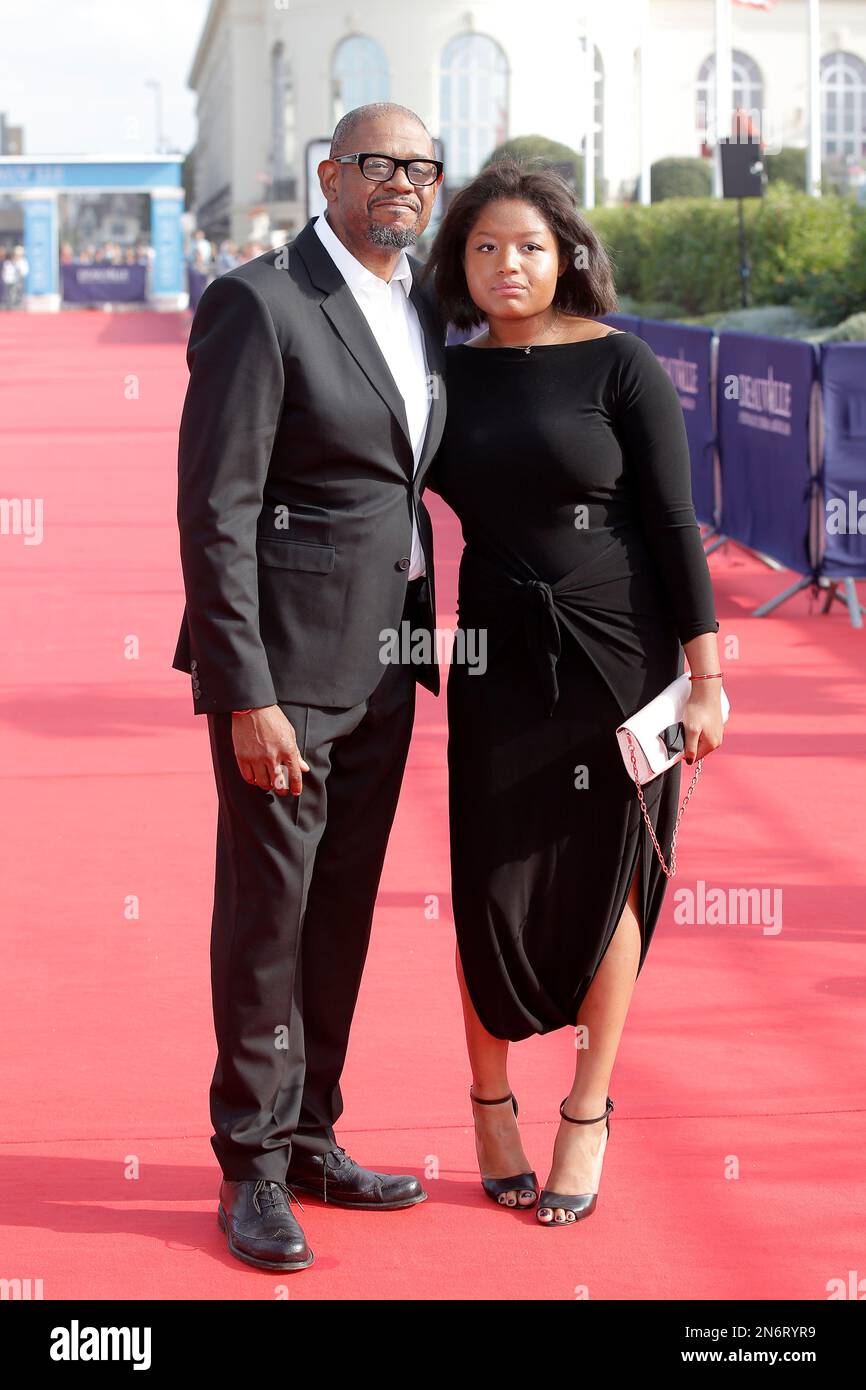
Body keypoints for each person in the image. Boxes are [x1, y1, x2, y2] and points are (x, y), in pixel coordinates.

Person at [422, 159, 724, 1226]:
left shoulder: (622, 364)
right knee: (486, 873)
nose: (509, 264)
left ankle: (584, 1110)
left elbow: (674, 524)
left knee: (615, 877)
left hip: (625, 656)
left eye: (531, 246)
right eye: (485, 247)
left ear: (569, 257)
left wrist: (706, 674)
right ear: (457, 263)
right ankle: (487, 1098)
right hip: (498, 658)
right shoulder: (441, 380)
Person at [172, 102, 446, 1272]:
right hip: (285, 676)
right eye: (379, 164)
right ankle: (251, 1168)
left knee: (339, 913)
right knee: (268, 917)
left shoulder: (419, 304)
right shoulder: (259, 301)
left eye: (423, 168)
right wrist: (247, 690)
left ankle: (315, 1133)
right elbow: (216, 511)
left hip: (385, 668)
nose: (404, 184)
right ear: (328, 173)